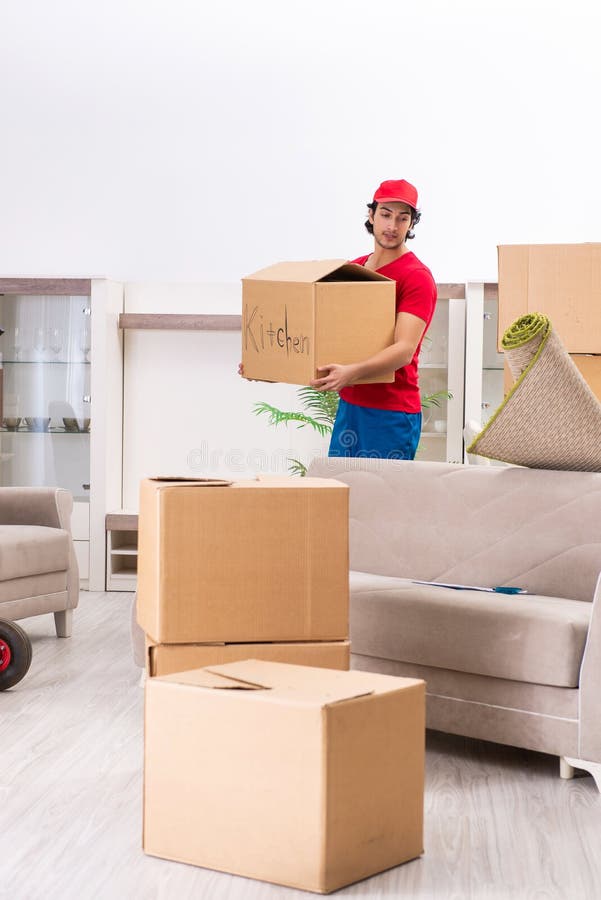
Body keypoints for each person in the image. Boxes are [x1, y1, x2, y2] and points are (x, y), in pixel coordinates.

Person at [310, 178, 437, 460]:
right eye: (385, 215)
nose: (392, 226)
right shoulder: (353, 269)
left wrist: (351, 372)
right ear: (371, 214)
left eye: (403, 218)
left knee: (381, 502)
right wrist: (270, 367)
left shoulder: (417, 277)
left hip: (390, 414)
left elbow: (404, 350)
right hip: (351, 408)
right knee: (343, 498)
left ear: (412, 223)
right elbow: (326, 332)